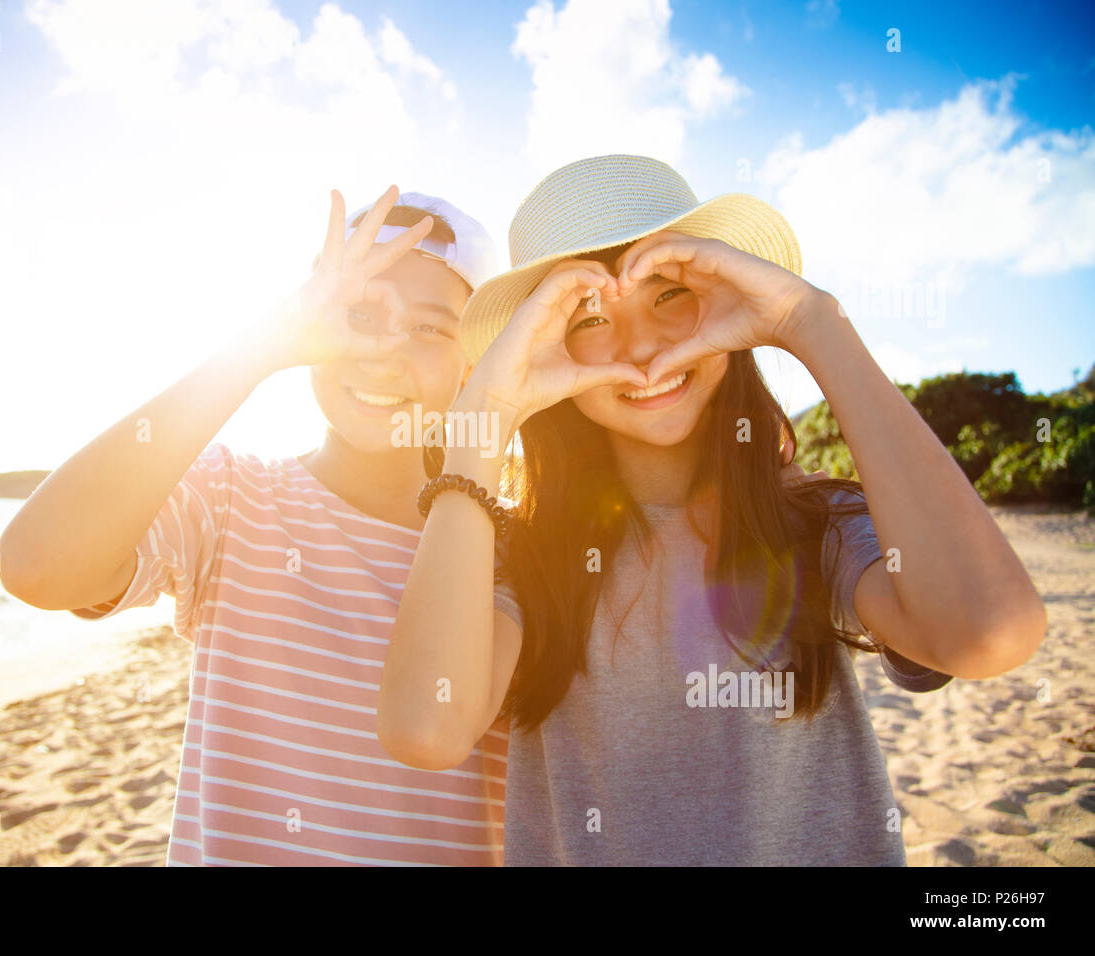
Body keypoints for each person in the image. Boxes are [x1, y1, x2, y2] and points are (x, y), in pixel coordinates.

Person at [377, 155, 1047, 865]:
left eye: (669, 297)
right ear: (546, 347)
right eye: (590, 318)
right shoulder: (522, 554)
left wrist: (809, 320)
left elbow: (991, 634)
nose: (641, 349)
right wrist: (489, 409)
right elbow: (425, 729)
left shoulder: (815, 525)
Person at [0, 185, 509, 865]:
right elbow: (36, 567)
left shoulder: (510, 547)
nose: (382, 349)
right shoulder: (232, 496)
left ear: (476, 357)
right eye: (356, 312)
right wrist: (264, 346)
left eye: (428, 328)